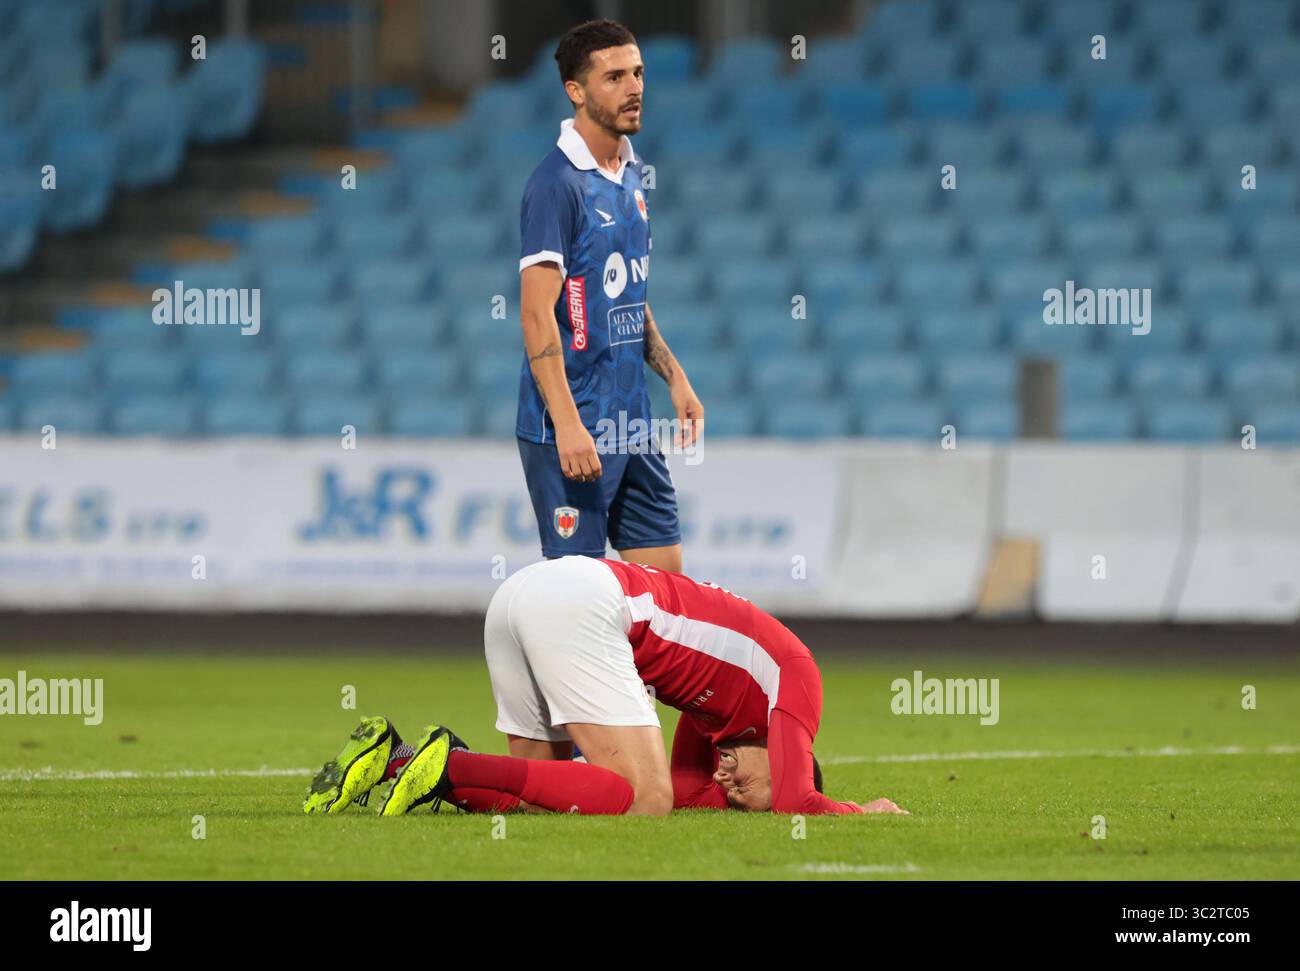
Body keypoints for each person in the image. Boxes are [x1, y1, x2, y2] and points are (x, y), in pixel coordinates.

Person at [304, 557, 906, 817]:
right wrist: (864, 812)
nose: (728, 783)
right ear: (784, 755)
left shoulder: (718, 722)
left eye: (735, 797)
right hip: (587, 603)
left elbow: (692, 791)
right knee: (644, 800)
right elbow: (798, 801)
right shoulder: (797, 680)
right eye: (746, 785)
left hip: (524, 595)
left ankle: (394, 758)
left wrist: (728, 796)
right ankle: (452, 765)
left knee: (536, 800)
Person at [515, 19, 702, 574]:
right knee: (578, 598)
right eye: (614, 77)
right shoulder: (555, 186)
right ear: (576, 91)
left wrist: (674, 376)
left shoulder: (631, 173)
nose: (634, 88)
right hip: (575, 425)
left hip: (632, 421)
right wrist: (568, 425)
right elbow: (535, 316)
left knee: (665, 589)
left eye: (638, 73)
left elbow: (625, 293)